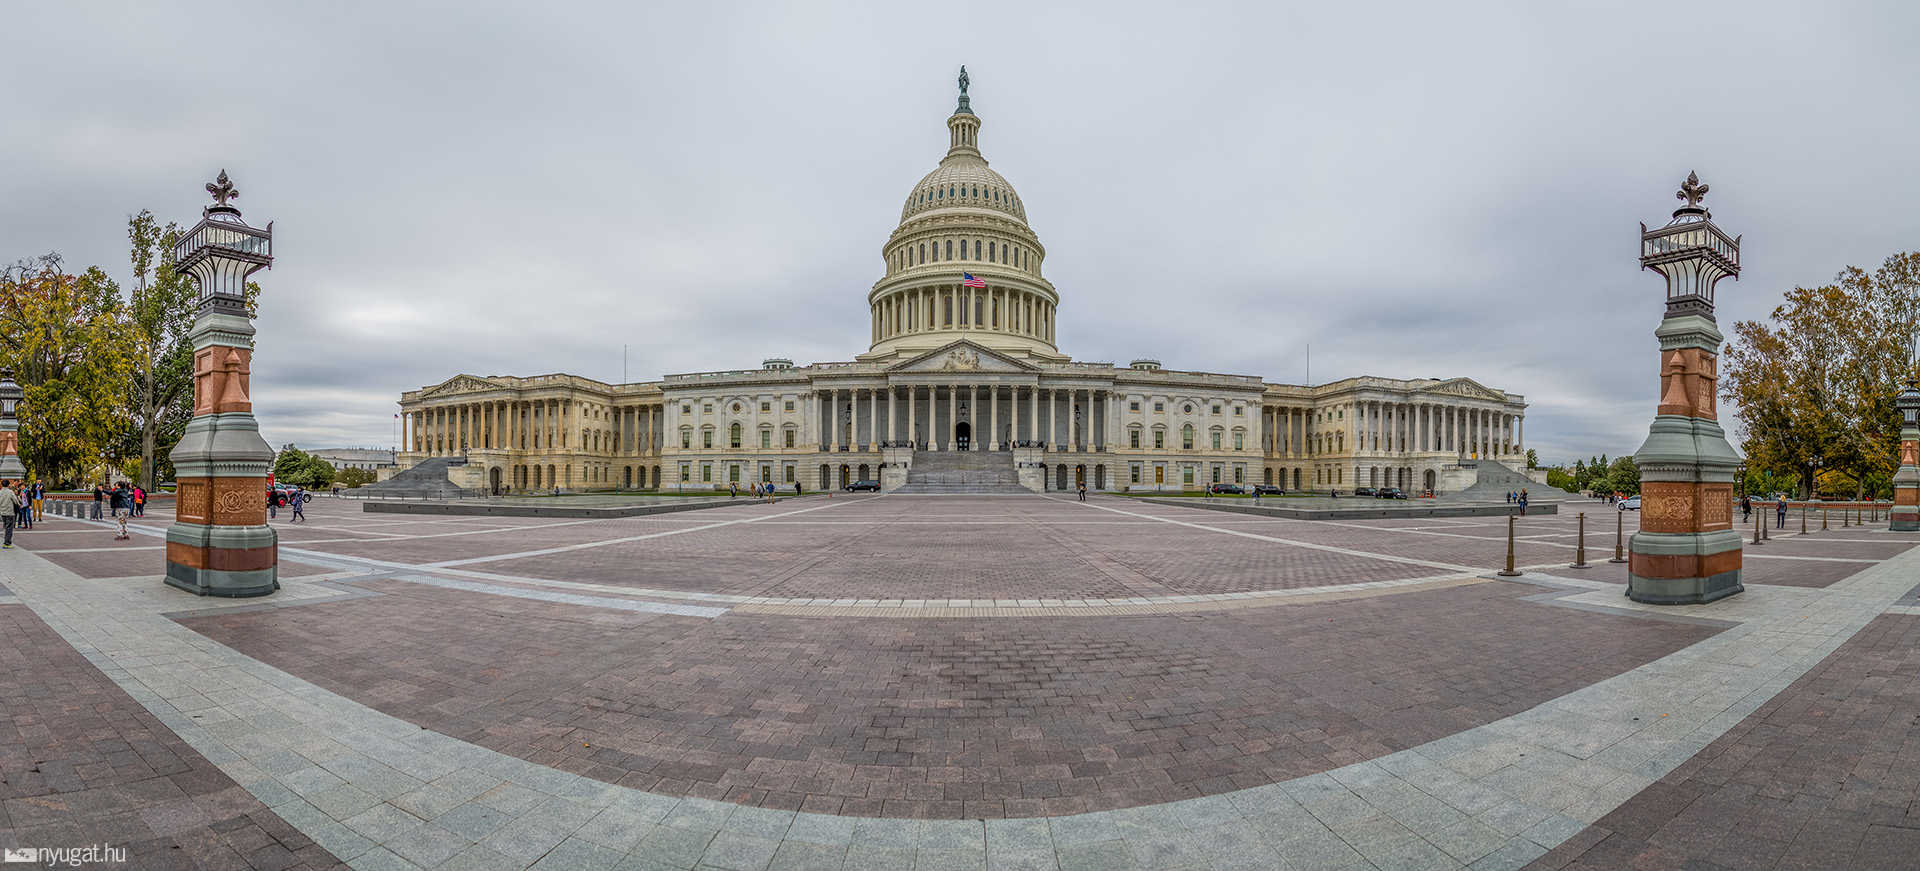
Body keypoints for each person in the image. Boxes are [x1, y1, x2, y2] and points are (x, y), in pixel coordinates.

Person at [0, 481, 16, 549]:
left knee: (6, 527)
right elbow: (15, 500)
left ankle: (6, 541)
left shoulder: (0, 492)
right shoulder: (10, 492)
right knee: (9, 528)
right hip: (9, 512)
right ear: (8, 485)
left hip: (2, 512)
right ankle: (7, 543)